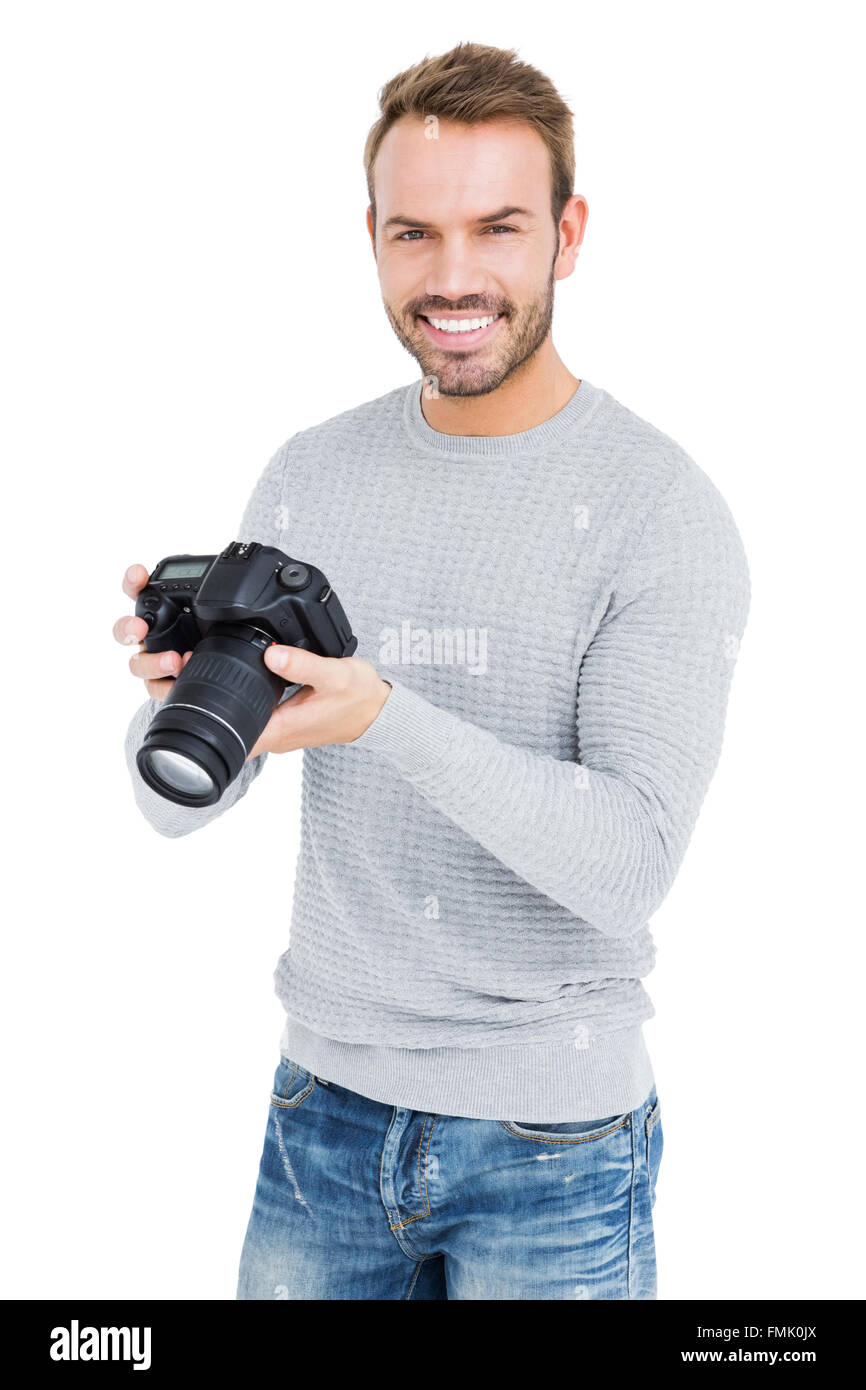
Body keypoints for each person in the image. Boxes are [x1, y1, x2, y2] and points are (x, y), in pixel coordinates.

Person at [115, 41, 750, 1300]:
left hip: (552, 1147)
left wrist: (382, 717)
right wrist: (184, 698)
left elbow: (627, 862)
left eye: (496, 228)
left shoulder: (659, 511)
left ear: (567, 235)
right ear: (372, 238)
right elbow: (167, 809)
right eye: (414, 234)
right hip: (320, 1118)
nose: (452, 277)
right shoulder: (310, 473)